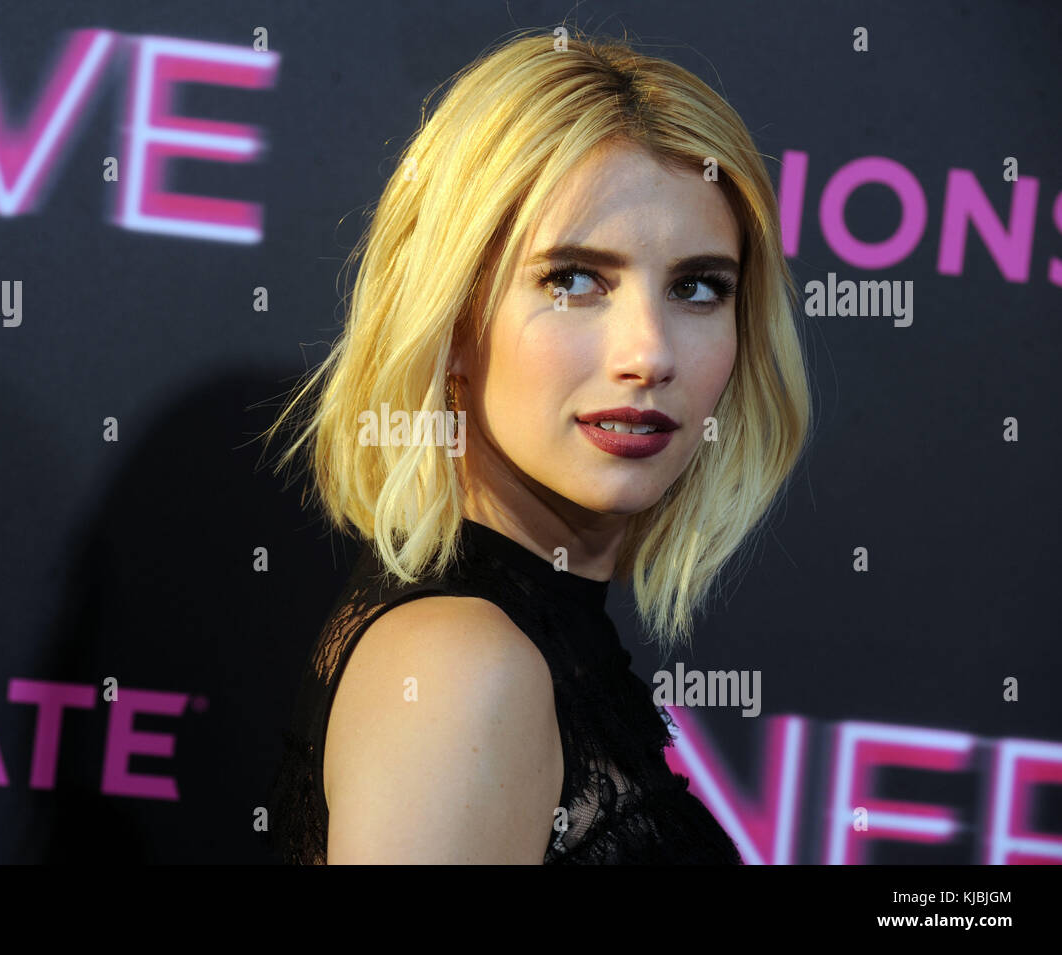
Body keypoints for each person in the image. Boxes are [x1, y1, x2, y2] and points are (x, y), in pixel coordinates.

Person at [260, 26, 812, 864]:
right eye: (575, 280)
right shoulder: (460, 669)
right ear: (449, 320)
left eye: (698, 287)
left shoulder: (523, 641)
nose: (650, 353)